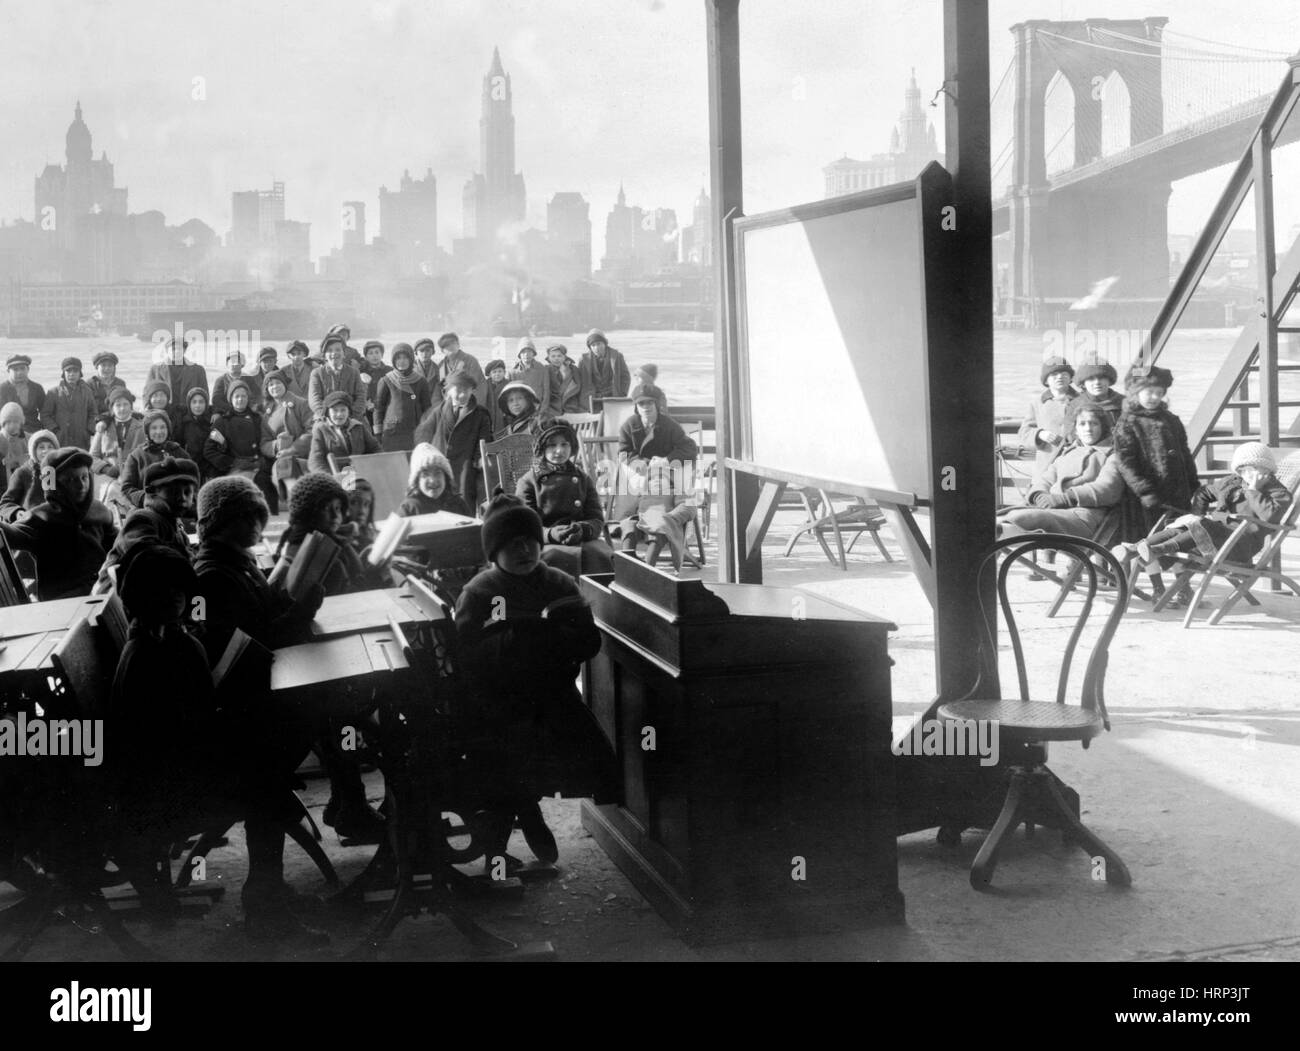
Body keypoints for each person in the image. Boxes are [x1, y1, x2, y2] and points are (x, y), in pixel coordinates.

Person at [109, 543, 326, 944]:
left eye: (180, 591)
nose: (175, 599)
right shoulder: (153, 655)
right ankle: (266, 910)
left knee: (267, 771)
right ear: (141, 598)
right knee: (267, 791)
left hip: (176, 771)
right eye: (163, 593)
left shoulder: (167, 640)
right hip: (164, 795)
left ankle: (269, 897)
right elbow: (180, 738)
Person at [190, 475, 331, 943]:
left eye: (257, 513)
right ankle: (264, 902)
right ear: (217, 525)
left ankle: (266, 892)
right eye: (242, 517)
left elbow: (258, 618)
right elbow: (243, 655)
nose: (254, 522)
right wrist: (297, 614)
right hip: (235, 725)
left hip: (251, 709)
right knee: (268, 782)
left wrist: (287, 597)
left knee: (310, 726)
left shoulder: (237, 563)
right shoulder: (212, 575)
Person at [453, 495, 619, 869]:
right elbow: (466, 655)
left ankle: (529, 811)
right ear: (494, 552)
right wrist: (513, 639)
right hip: (501, 701)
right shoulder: (480, 592)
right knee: (505, 765)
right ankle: (502, 845)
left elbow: (589, 642)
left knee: (568, 758)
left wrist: (561, 637)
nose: (524, 550)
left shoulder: (558, 582)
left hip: (552, 695)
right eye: (512, 545)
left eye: (530, 542)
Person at [265, 472, 387, 840]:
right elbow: (335, 600)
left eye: (339, 508)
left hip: (321, 655)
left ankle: (346, 801)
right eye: (328, 509)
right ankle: (351, 804)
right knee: (347, 719)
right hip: (311, 662)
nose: (336, 515)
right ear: (307, 511)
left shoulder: (326, 542)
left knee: (348, 718)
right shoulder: (308, 547)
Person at [1115, 442, 1292, 569]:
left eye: (1253, 469)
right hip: (1217, 537)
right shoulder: (1233, 483)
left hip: (1240, 545)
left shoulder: (1279, 493)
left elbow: (1271, 517)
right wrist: (1197, 514)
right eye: (1243, 470)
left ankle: (1156, 550)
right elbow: (1203, 493)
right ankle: (1134, 550)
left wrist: (1254, 490)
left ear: (1266, 470)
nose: (1247, 474)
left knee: (1200, 525)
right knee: (1183, 527)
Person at [0, 446, 117, 599]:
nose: (81, 485)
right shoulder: (41, 517)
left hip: (101, 591)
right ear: (54, 484)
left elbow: (117, 544)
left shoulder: (98, 509)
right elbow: (10, 534)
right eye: (71, 480)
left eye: (84, 477)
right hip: (62, 599)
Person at [996, 403, 1123, 539]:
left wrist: (1066, 498)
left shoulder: (1112, 455)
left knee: (1026, 517)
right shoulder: (1068, 452)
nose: (1088, 429)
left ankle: (1001, 534)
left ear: (1103, 427)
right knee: (999, 517)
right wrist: (1039, 495)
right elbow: (1045, 479)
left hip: (1083, 515)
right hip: (1051, 509)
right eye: (1082, 424)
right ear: (1075, 429)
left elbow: (1108, 488)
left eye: (1094, 424)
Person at [516, 419, 613, 576]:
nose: (559, 451)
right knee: (555, 557)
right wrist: (552, 534)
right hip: (545, 541)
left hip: (581, 538)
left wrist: (583, 529)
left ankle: (599, 598)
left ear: (572, 447)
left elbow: (596, 518)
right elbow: (525, 527)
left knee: (602, 554)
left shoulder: (583, 478)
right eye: (552, 445)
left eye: (564, 444)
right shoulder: (529, 481)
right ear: (541, 448)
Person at [93, 456, 200, 593]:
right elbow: (145, 553)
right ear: (152, 492)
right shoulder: (143, 519)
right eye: (173, 492)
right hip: (114, 599)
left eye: (187, 492)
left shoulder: (173, 522)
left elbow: (184, 550)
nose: (182, 498)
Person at [1112, 364, 1198, 529]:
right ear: (1135, 393)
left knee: (1180, 529)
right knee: (1151, 533)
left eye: (1159, 393)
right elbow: (1125, 462)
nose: (1154, 397)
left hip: (1178, 491)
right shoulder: (1128, 422)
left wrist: (1193, 482)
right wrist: (1145, 491)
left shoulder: (1171, 420)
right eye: (1149, 392)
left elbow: (1185, 454)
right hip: (1148, 496)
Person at [415, 369, 492, 509]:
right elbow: (423, 436)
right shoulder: (437, 411)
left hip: (466, 466)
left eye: (467, 390)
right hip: (441, 463)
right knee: (440, 501)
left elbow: (485, 439)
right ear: (448, 391)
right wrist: (427, 456)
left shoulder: (480, 414)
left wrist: (479, 458)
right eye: (458, 389)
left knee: (464, 502)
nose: (462, 394)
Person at [205, 380, 275, 506]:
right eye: (236, 396)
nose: (240, 399)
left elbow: (266, 441)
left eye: (243, 396)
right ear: (231, 399)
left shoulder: (257, 418)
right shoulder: (222, 422)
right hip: (236, 469)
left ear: (248, 398)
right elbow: (209, 450)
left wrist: (262, 460)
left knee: (267, 501)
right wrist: (233, 462)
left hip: (258, 467)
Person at [1018, 357, 1079, 476]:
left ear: (1071, 377)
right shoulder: (1037, 403)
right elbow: (1024, 432)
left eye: (1064, 373)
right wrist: (1039, 434)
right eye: (1054, 374)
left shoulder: (1082, 400)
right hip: (1047, 464)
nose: (1060, 377)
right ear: (1046, 380)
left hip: (1076, 462)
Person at [118, 409, 187, 514]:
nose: (159, 432)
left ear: (168, 429)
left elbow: (191, 481)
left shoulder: (179, 453)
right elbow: (126, 488)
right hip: (146, 511)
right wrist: (148, 499)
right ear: (147, 432)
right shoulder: (136, 456)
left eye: (162, 427)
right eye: (154, 428)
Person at [259, 370, 313, 495]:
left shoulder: (301, 403)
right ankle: (294, 496)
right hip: (279, 457)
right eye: (270, 385)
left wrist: (292, 449)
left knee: (286, 463)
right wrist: (277, 446)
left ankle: (295, 496)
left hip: (302, 455)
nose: (275, 386)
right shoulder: (267, 413)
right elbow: (263, 442)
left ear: (284, 384)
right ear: (267, 389)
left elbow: (311, 430)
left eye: (278, 383)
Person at [373, 343, 432, 453]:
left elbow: (427, 409)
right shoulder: (386, 380)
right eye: (398, 358)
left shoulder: (421, 381)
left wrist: (427, 431)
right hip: (391, 433)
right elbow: (378, 409)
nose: (402, 361)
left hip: (415, 432)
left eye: (405, 357)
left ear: (411, 359)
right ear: (393, 360)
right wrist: (378, 433)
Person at [307, 391, 380, 474]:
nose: (339, 414)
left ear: (349, 411)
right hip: (333, 478)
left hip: (360, 476)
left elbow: (375, 449)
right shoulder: (321, 430)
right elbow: (315, 462)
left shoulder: (358, 427)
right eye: (335, 410)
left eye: (343, 410)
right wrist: (331, 479)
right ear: (328, 412)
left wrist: (371, 469)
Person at [397, 443, 473, 518]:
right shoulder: (409, 508)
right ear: (417, 481)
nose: (433, 480)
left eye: (438, 473)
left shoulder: (458, 504)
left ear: (446, 477)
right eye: (425, 474)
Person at [0, 429, 57, 523]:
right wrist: (17, 512)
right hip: (30, 522)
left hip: (56, 522)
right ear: (34, 450)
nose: (46, 451)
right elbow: (5, 503)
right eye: (41, 447)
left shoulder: (62, 471)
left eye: (50, 447)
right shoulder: (22, 473)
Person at [308, 334, 367, 423]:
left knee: (365, 432)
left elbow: (361, 397)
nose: (334, 353)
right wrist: (328, 416)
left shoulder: (354, 372)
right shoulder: (317, 373)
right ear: (324, 356)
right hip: (324, 418)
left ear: (344, 353)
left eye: (338, 350)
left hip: (351, 418)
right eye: (330, 350)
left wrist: (348, 416)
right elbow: (314, 399)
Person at [42, 356, 97, 450]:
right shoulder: (53, 392)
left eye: (75, 371)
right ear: (63, 373)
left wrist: (88, 430)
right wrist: (55, 431)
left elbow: (93, 413)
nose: (72, 374)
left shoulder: (87, 391)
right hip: (61, 440)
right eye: (68, 371)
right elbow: (45, 415)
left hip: (82, 440)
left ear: (80, 373)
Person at [90, 387, 145, 479]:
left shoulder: (141, 427)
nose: (122, 408)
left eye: (125, 404)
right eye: (118, 405)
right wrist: (106, 469)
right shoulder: (103, 427)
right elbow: (92, 456)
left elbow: (146, 455)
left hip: (134, 476)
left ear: (131, 406)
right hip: (107, 477)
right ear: (112, 408)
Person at [145, 336, 209, 403]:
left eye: (180, 349)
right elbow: (147, 393)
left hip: (188, 411)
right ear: (167, 350)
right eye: (173, 349)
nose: (177, 352)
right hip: (164, 410)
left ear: (184, 350)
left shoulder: (198, 370)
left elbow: (204, 395)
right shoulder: (155, 369)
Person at [578, 329, 630, 404]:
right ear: (590, 347)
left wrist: (622, 394)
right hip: (592, 398)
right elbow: (579, 380)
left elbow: (625, 377)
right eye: (593, 345)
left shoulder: (617, 356)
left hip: (613, 396)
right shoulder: (583, 360)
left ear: (605, 343)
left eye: (599, 344)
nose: (596, 348)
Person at [437, 332, 487, 407]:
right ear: (442, 350)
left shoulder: (470, 360)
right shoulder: (440, 366)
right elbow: (439, 389)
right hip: (449, 404)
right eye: (447, 345)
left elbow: (474, 384)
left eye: (454, 343)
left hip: (470, 401)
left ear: (458, 345)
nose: (451, 347)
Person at [0, 354, 46, 434]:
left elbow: (45, 412)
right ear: (8, 371)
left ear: (28, 369)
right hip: (9, 433)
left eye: (22, 368)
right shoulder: (2, 389)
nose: (19, 372)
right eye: (15, 369)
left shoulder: (37, 388)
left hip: (33, 430)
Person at [544, 343, 587, 418]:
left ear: (564, 357)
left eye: (559, 356)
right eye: (553, 356)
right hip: (553, 407)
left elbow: (580, 388)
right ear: (549, 358)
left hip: (571, 406)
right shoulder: (545, 370)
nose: (556, 358)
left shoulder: (573, 370)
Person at [358, 340, 391, 430]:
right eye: (370, 353)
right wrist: (366, 403)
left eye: (377, 352)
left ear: (382, 354)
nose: (374, 356)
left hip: (387, 410)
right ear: (366, 357)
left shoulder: (390, 371)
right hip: (368, 411)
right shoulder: (361, 372)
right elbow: (358, 392)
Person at [512, 338, 550, 415]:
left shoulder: (542, 369)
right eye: (523, 352)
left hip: (538, 410)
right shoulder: (513, 372)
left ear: (534, 353)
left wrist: (542, 410)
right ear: (519, 355)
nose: (526, 354)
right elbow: (510, 394)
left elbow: (546, 391)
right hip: (520, 411)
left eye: (529, 351)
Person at [211, 348, 250, 416]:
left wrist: (246, 408)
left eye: (238, 361)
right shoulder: (220, 380)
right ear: (227, 364)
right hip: (226, 413)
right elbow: (216, 400)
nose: (234, 364)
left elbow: (256, 396)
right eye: (232, 361)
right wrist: (233, 409)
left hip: (246, 412)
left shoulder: (249, 379)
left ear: (242, 364)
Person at [88, 350, 124, 417]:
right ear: (97, 367)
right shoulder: (90, 384)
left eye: (110, 365)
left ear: (114, 368)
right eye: (103, 365)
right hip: (96, 420)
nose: (107, 368)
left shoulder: (120, 384)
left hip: (117, 418)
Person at [1, 401, 28, 481]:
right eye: (9, 422)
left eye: (16, 421)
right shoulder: (1, 438)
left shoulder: (28, 438)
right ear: (3, 423)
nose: (12, 425)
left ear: (21, 422)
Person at [484, 358, 509, 435]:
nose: (497, 374)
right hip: (489, 418)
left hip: (503, 420)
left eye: (500, 371)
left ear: (504, 372)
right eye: (494, 372)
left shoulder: (508, 385)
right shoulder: (485, 385)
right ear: (490, 374)